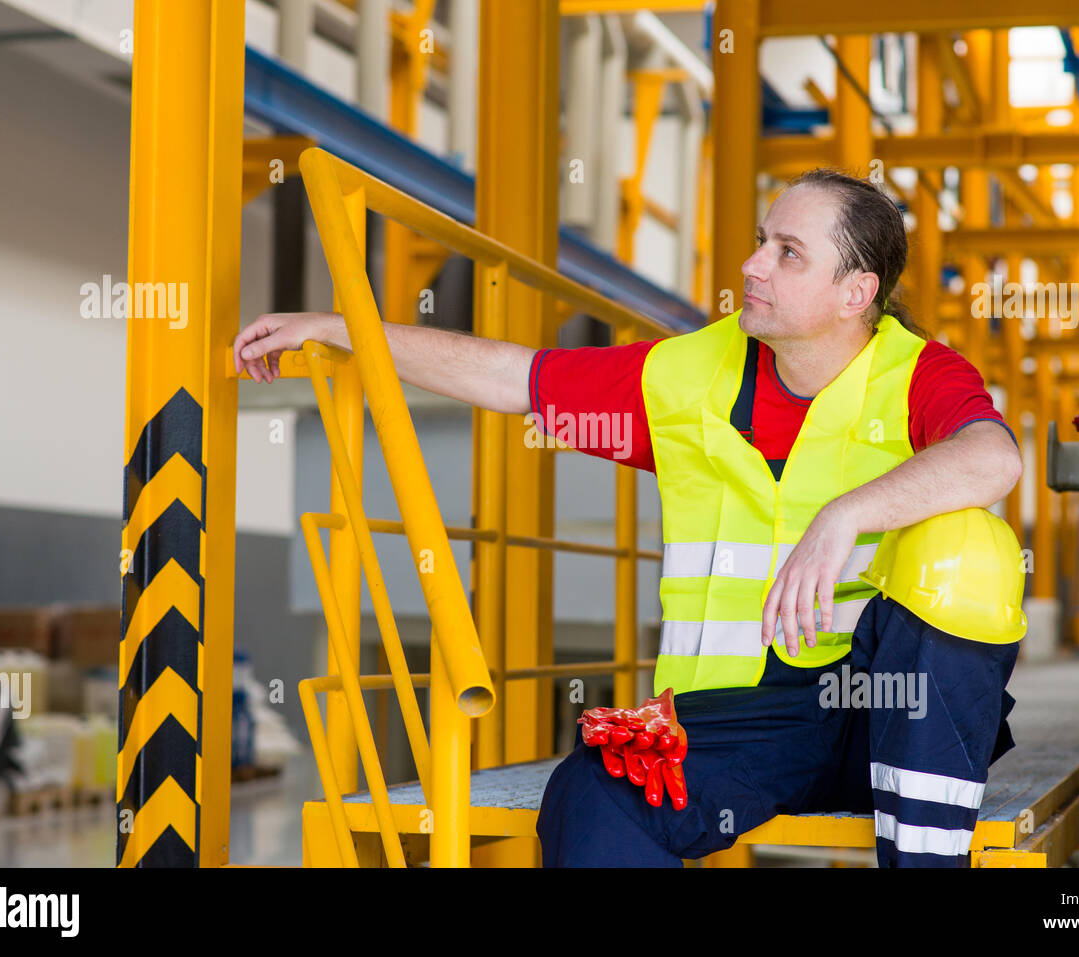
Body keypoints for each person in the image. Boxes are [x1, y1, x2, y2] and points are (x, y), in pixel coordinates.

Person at [234, 168, 1025, 868]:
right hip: (742, 720)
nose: (751, 265)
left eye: (788, 252)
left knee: (971, 543)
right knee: (592, 789)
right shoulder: (687, 373)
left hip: (890, 710)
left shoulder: (918, 374)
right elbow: (519, 378)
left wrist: (846, 513)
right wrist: (345, 331)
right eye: (760, 241)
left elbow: (995, 458)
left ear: (856, 293)